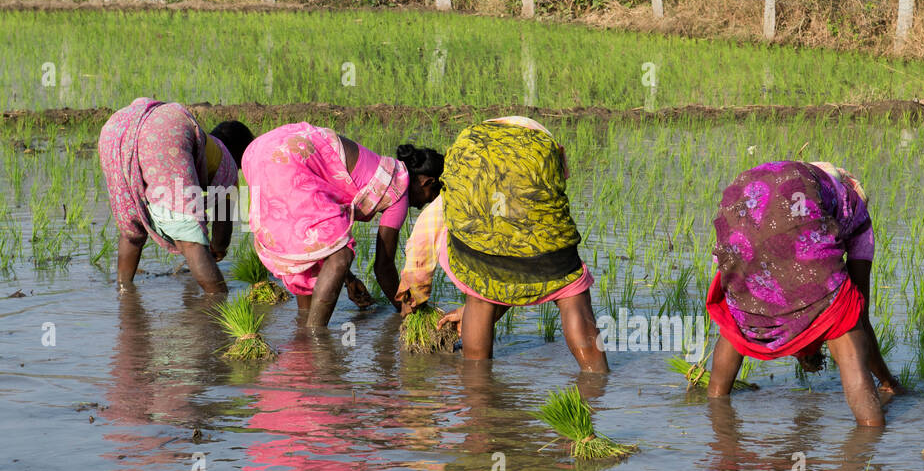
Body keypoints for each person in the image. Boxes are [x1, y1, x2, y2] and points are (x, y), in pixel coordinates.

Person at [396, 116, 607, 373]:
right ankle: (596, 383)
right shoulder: (536, 142)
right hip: (547, 234)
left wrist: (412, 300)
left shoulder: (459, 185)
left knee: (480, 295)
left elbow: (420, 251)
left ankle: (478, 390)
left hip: (478, 247)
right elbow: (545, 203)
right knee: (570, 293)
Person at [704, 160, 899, 425]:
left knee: (738, 317)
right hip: (767, 204)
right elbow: (857, 312)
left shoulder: (802, 181)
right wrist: (888, 381)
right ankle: (869, 434)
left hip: (739, 202)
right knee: (844, 320)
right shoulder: (855, 207)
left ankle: (716, 411)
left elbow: (784, 268)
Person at [242, 123, 442, 327]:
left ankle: (302, 331)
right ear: (427, 182)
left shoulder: (383, 167)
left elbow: (323, 247)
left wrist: (349, 279)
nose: (422, 206)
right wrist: (406, 310)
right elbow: (383, 267)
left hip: (261, 151)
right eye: (430, 198)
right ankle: (316, 336)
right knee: (341, 256)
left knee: (312, 252)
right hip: (290, 156)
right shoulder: (399, 189)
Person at [98, 98, 253, 294]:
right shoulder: (228, 164)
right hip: (165, 131)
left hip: (117, 130)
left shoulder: (207, 147)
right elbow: (222, 230)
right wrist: (216, 250)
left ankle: (124, 291)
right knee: (191, 241)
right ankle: (217, 302)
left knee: (132, 231)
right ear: (241, 155)